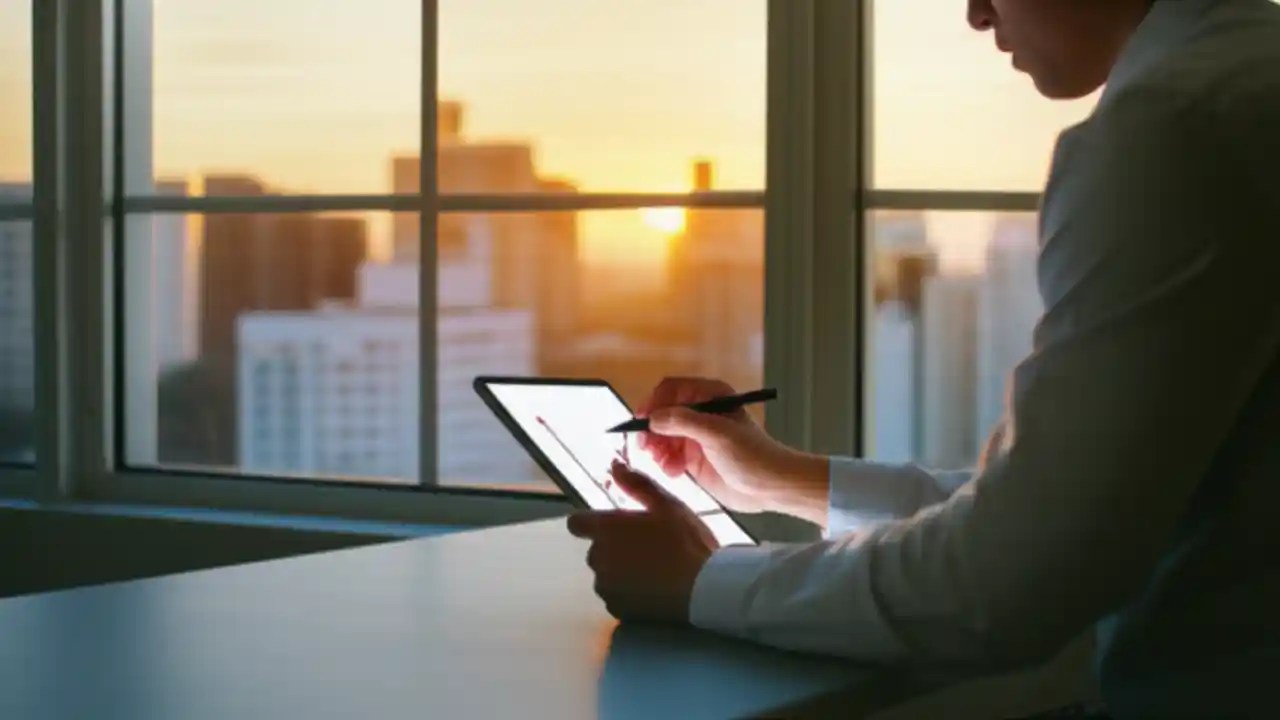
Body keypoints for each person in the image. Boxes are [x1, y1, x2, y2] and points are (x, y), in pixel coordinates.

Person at [567, 0, 1280, 716]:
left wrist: (702, 582)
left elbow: (1013, 577)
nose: (974, 13)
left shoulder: (1172, 128)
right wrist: (781, 479)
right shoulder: (1246, 79)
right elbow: (1065, 511)